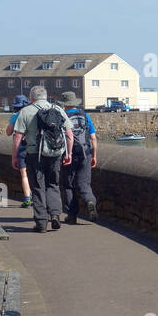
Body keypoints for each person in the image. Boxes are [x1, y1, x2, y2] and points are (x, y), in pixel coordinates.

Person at [12, 85, 71, 231]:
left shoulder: (25, 111)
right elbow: (69, 134)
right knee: (53, 184)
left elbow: (18, 136)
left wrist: (14, 156)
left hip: (34, 155)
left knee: (38, 187)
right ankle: (56, 215)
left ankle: (41, 222)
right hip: (55, 154)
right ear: (46, 96)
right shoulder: (58, 110)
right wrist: (68, 153)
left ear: (31, 98)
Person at [60, 93, 98, 223]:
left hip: (68, 155)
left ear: (64, 104)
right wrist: (94, 156)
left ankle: (72, 215)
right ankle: (90, 201)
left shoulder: (62, 116)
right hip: (85, 153)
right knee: (84, 184)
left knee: (69, 185)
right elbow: (93, 138)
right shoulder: (85, 115)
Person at [5, 95, 33, 207]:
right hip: (34, 147)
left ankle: (27, 198)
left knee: (24, 174)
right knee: (36, 174)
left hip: (21, 148)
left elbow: (8, 132)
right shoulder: (32, 114)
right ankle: (38, 197)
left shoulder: (15, 116)